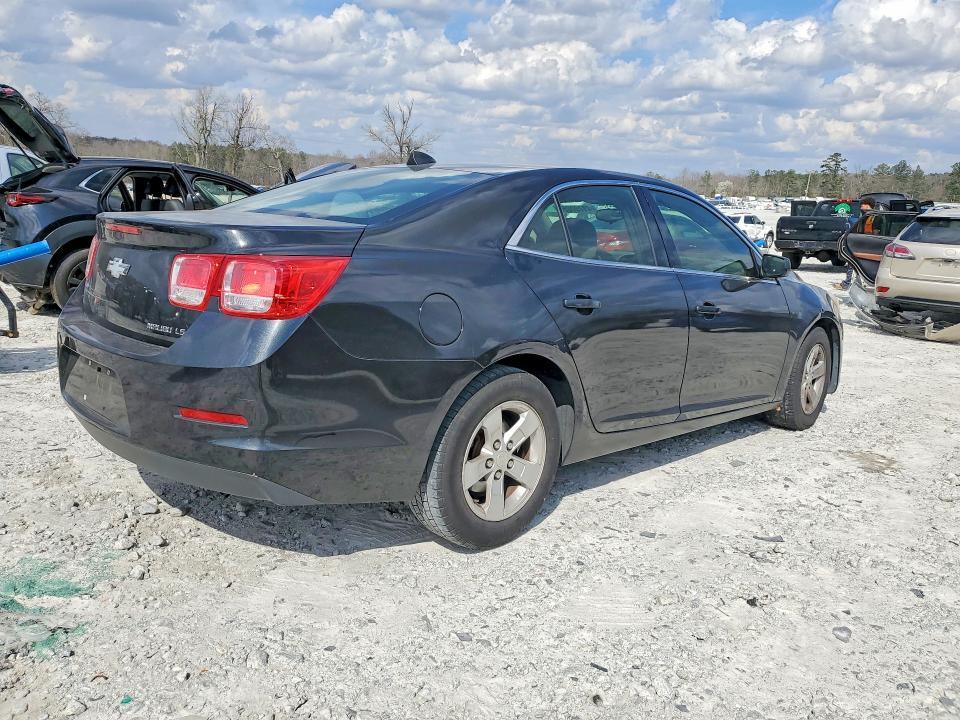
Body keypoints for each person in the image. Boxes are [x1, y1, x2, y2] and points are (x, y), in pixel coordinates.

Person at [836, 197, 877, 290]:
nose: (861, 206)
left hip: (869, 244)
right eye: (861, 205)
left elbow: (874, 231)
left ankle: (849, 283)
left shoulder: (874, 217)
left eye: (864, 204)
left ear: (869, 205)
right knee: (853, 264)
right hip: (860, 243)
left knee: (857, 265)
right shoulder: (864, 216)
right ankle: (849, 283)